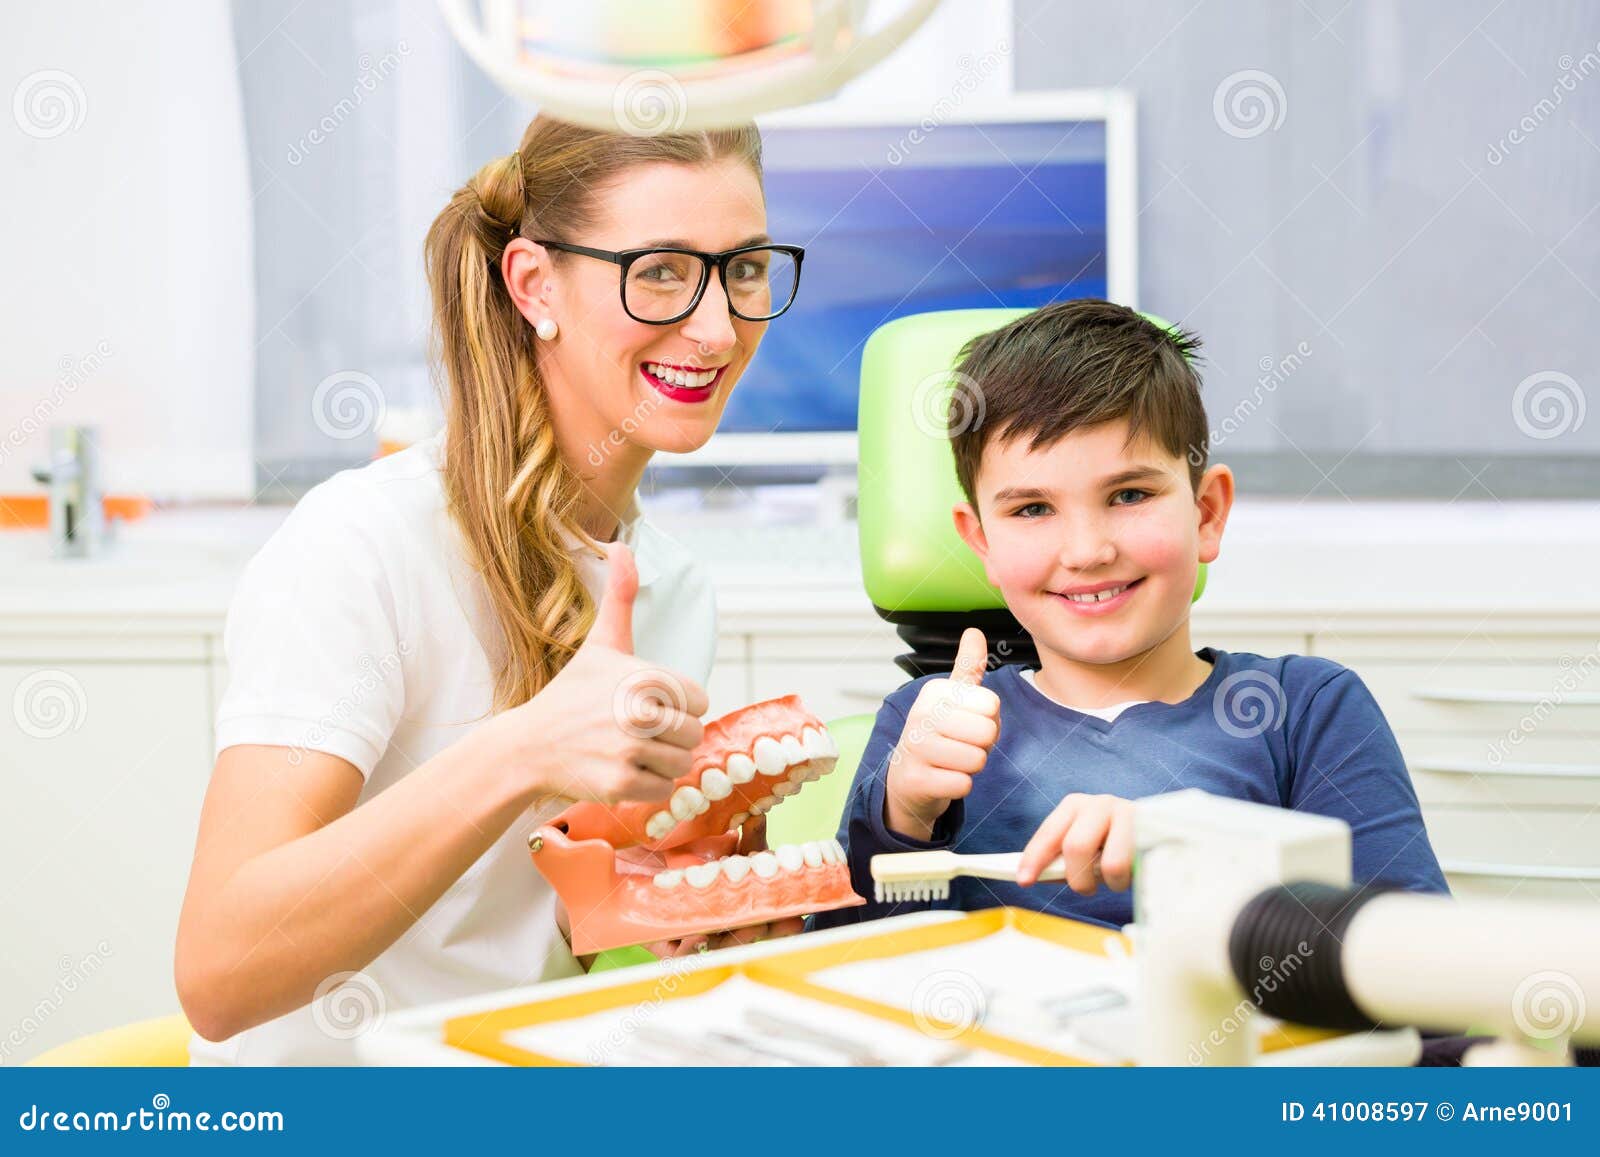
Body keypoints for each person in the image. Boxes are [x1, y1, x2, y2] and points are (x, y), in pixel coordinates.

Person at [177, 115, 807, 1063]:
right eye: (662, 271)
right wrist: (525, 749)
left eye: (745, 269)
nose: (719, 329)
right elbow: (220, 974)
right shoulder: (365, 547)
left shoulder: (669, 589)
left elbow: (538, 940)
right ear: (534, 283)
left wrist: (679, 903)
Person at [815, 299, 1448, 933]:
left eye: (1129, 495)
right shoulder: (927, 727)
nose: (1089, 551)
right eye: (1032, 509)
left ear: (1206, 514)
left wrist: (1200, 853)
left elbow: (1415, 970)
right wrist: (902, 818)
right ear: (981, 542)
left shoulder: (1309, 712)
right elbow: (832, 982)